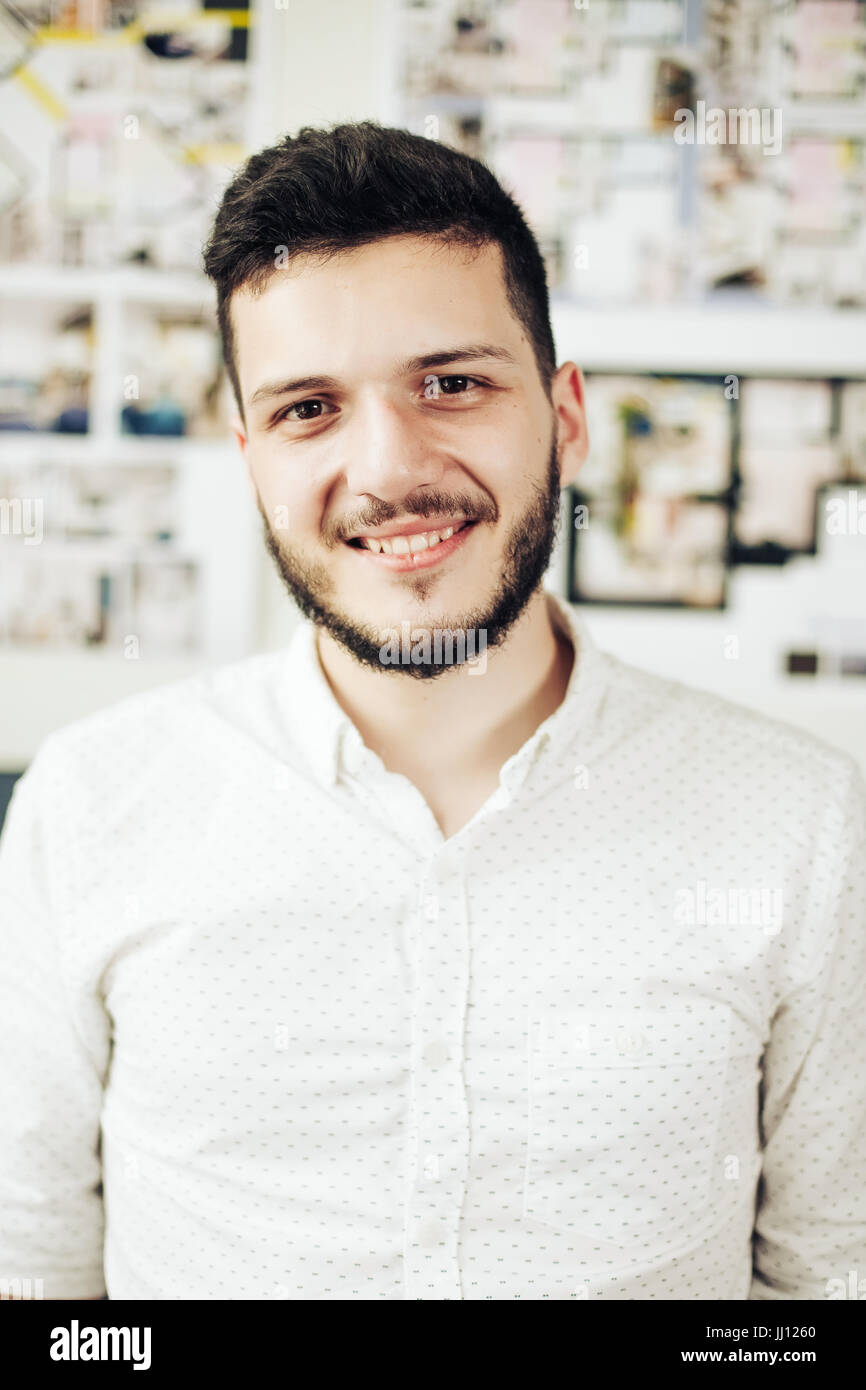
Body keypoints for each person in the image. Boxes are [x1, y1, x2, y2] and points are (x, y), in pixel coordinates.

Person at [1, 122, 864, 1302]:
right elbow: (34, 1289)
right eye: (309, 408)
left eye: (451, 384)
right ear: (248, 451)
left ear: (565, 414)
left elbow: (828, 1291)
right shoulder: (91, 804)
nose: (387, 468)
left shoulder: (804, 826)